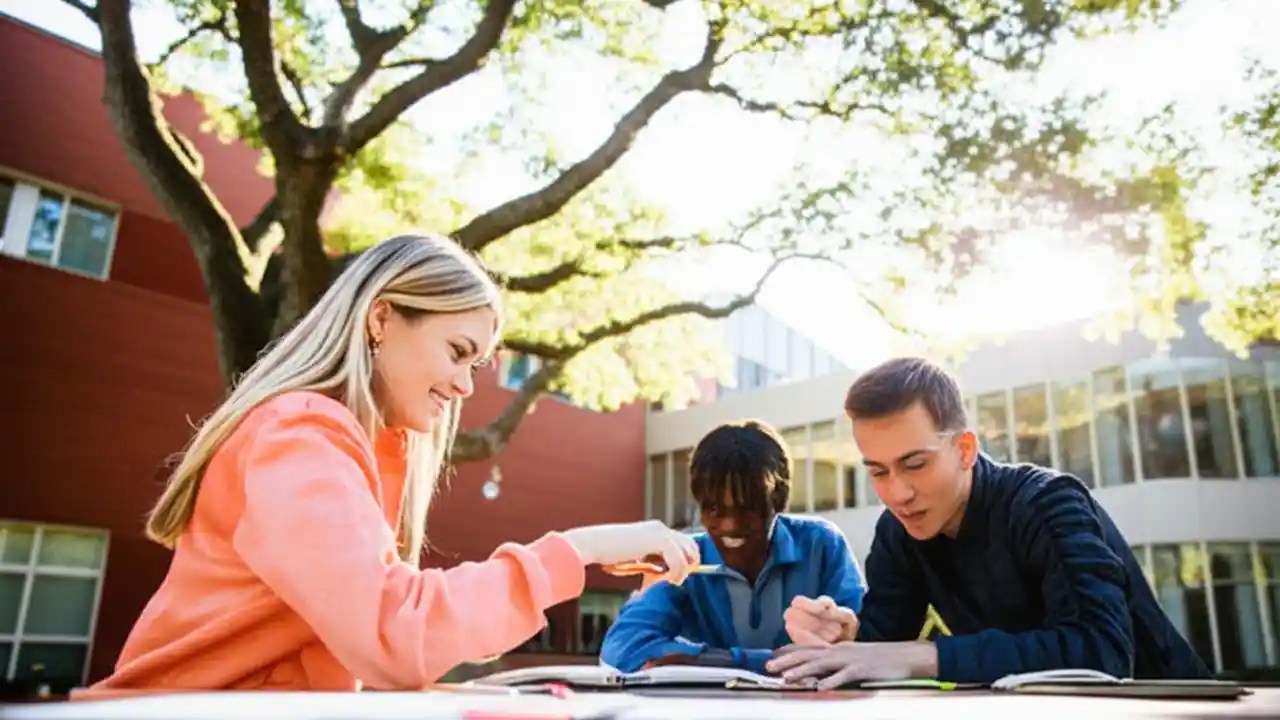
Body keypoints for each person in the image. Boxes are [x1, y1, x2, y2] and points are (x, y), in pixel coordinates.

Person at [86, 234, 699, 693]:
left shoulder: (356, 444)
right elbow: (395, 633)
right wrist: (579, 549)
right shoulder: (298, 438)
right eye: (458, 353)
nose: (465, 386)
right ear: (381, 317)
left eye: (477, 367)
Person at [770, 357, 1210, 689]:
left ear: (964, 450)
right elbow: (884, 647)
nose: (898, 493)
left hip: (1169, 706)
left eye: (916, 464)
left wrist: (926, 656)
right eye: (878, 472)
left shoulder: (1048, 503)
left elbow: (1102, 653)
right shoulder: (897, 531)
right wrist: (849, 636)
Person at [600, 420, 866, 674]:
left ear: (778, 501)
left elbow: (868, 643)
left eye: (748, 508)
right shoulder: (683, 558)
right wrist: (778, 660)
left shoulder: (822, 544)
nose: (730, 525)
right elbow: (621, 651)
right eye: (714, 508)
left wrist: (848, 633)